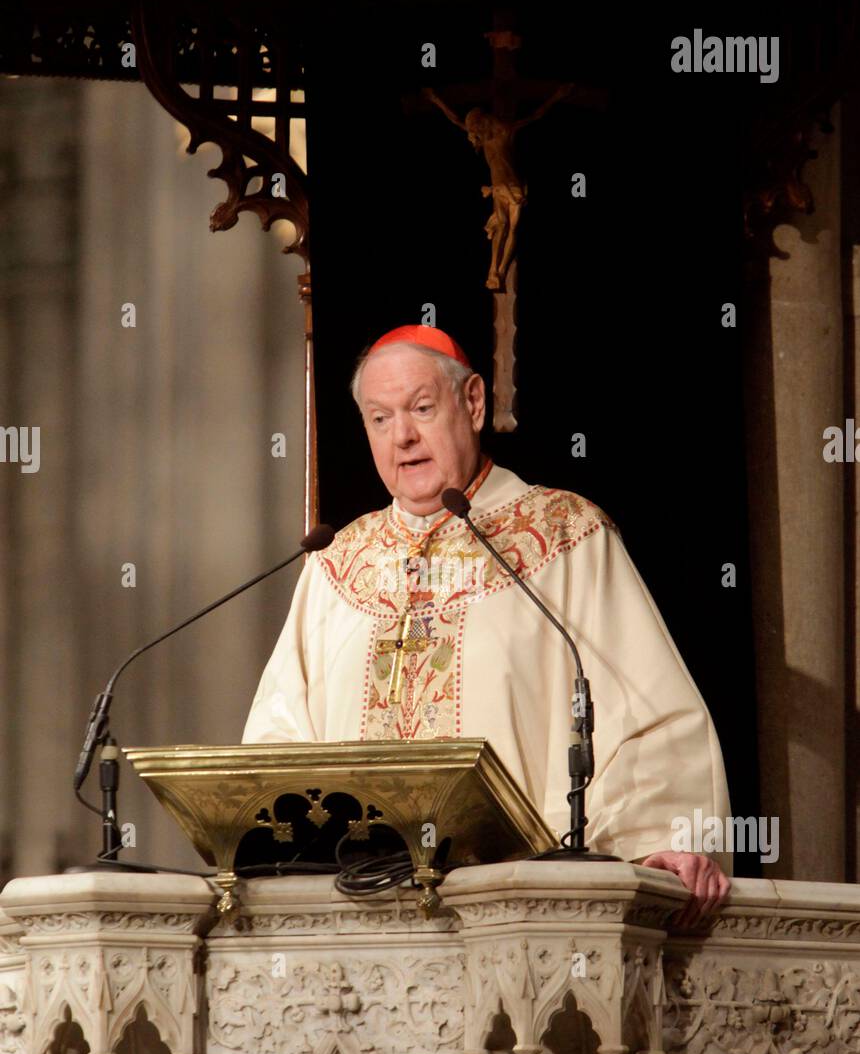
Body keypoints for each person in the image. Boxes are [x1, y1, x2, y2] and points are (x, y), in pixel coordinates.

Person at [243, 324, 732, 922]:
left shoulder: (564, 536)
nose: (403, 436)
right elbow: (278, 742)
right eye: (379, 418)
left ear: (472, 403)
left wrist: (662, 838)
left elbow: (651, 716)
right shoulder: (337, 563)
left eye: (422, 408)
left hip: (523, 915)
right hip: (355, 915)